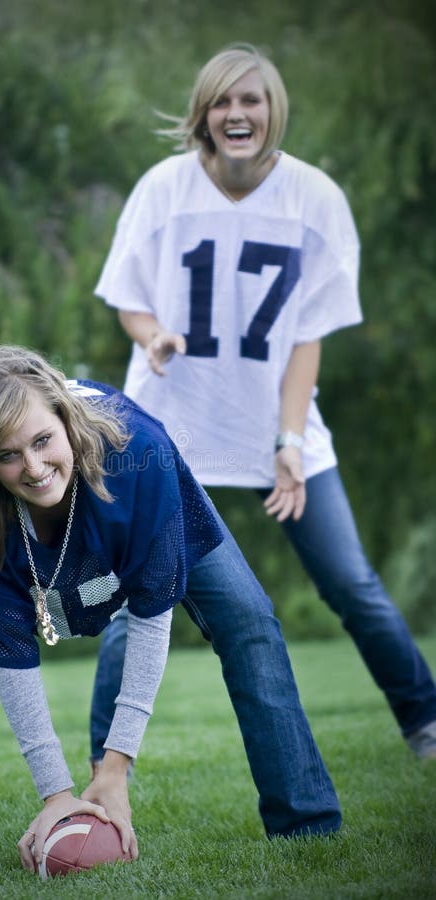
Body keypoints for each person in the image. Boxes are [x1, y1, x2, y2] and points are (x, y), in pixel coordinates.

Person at [0, 344, 341, 872]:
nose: (33, 467)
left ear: (64, 417)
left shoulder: (139, 455)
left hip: (136, 484)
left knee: (248, 618)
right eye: (7, 455)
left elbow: (148, 623)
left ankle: (306, 827)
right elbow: (14, 663)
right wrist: (56, 794)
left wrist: (116, 766)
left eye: (42, 441)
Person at [90, 42, 436, 769]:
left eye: (251, 100)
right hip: (169, 425)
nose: (237, 113)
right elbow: (130, 298)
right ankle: (104, 769)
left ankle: (425, 721)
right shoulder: (164, 187)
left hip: (276, 424)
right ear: (203, 114)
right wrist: (153, 338)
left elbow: (306, 338)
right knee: (131, 598)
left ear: (273, 109)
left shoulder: (315, 198)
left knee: (351, 583)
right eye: (223, 101)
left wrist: (288, 439)